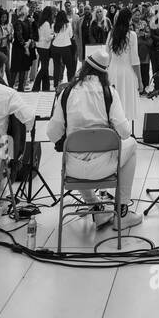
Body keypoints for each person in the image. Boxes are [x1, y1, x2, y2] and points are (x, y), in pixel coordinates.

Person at [46, 47, 143, 230]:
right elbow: (125, 132)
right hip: (105, 167)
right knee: (132, 144)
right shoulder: (109, 93)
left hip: (73, 169)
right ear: (104, 73)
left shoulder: (67, 93)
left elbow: (52, 133)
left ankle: (95, 207)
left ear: (84, 68)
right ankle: (122, 212)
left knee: (75, 149)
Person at [106, 7, 140, 130]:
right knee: (126, 101)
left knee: (114, 102)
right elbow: (135, 60)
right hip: (127, 73)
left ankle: (115, 131)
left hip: (112, 71)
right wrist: (140, 81)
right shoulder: (132, 35)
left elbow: (107, 56)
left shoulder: (111, 33)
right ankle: (126, 132)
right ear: (129, 20)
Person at [51, 7, 75, 87]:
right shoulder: (68, 25)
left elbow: (53, 34)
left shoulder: (54, 24)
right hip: (66, 47)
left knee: (56, 66)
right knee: (69, 66)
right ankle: (70, 83)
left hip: (55, 47)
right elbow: (71, 36)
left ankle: (55, 84)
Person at [34, 6, 54, 92]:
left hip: (41, 46)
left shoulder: (41, 22)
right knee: (44, 68)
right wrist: (54, 35)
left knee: (45, 68)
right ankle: (36, 86)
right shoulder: (46, 23)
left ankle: (46, 87)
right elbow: (47, 38)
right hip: (44, 47)